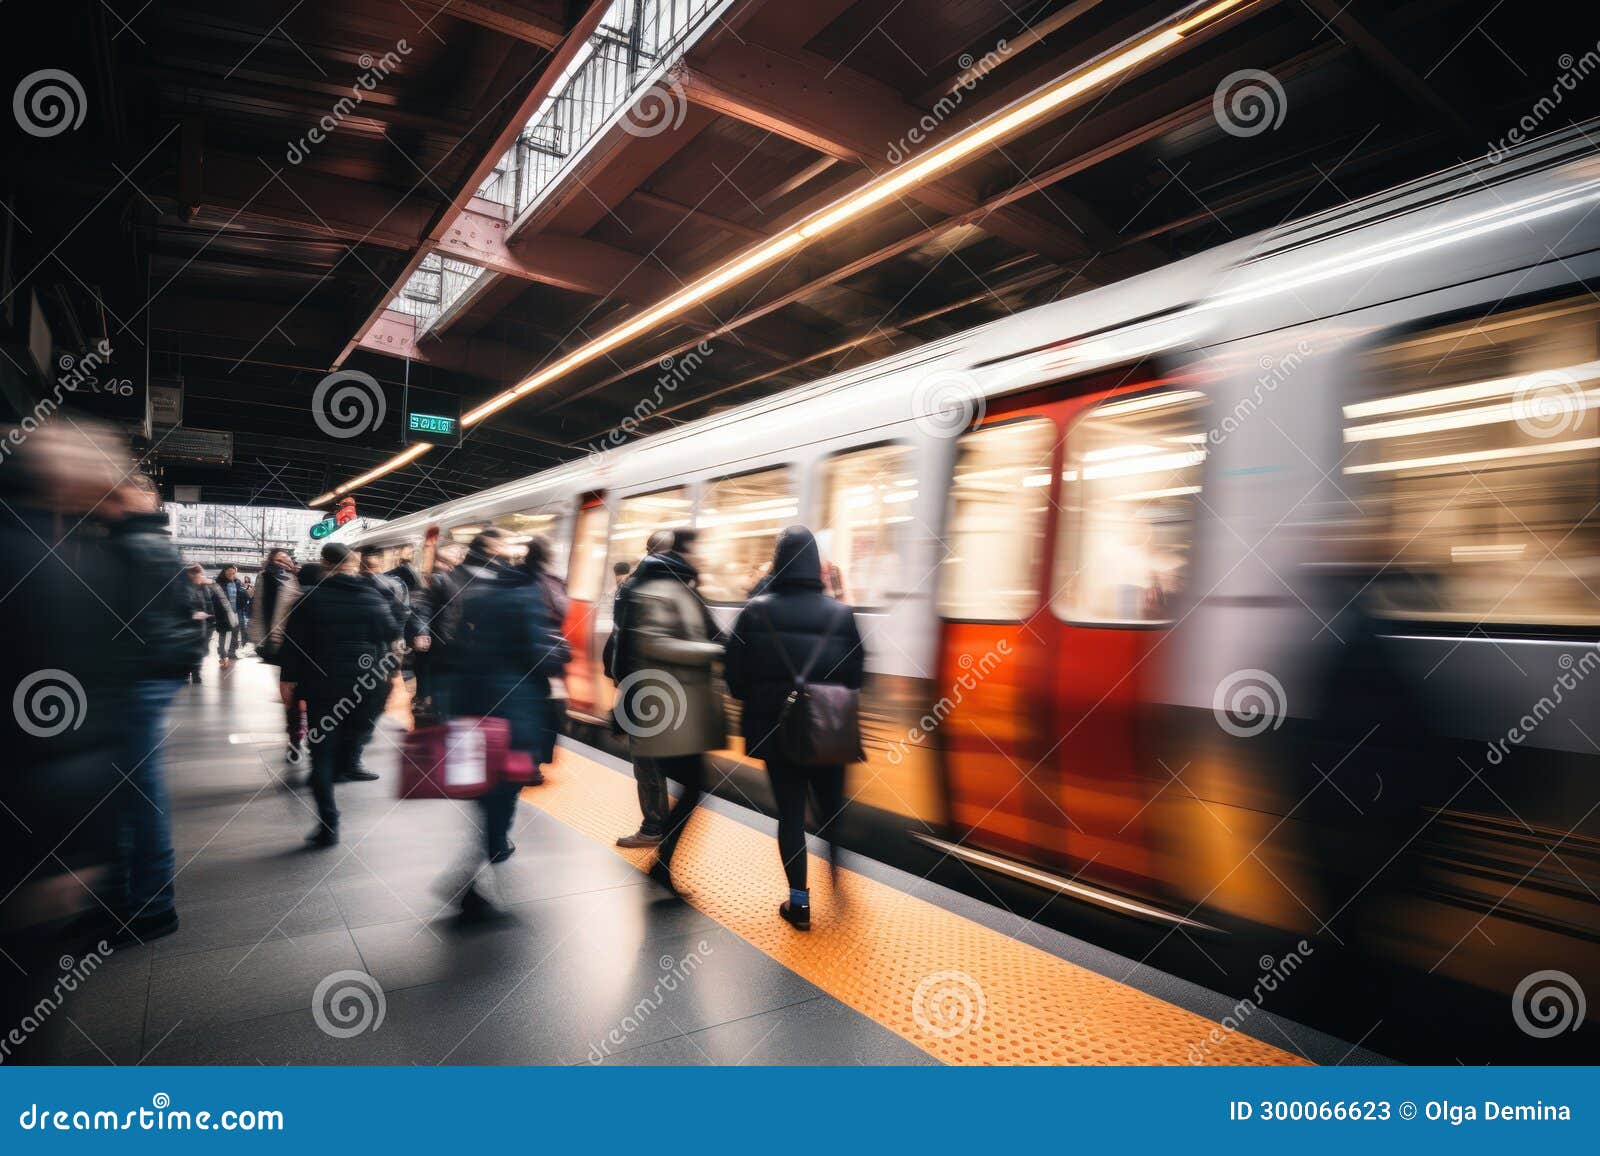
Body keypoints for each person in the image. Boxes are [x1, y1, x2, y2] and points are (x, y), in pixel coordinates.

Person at [0, 419, 128, 1058]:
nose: (117, 471)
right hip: (34, 825)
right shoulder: (48, 563)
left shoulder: (60, 551)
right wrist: (63, 851)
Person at [725, 526, 864, 930]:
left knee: (790, 815)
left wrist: (768, 696)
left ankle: (799, 904)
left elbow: (735, 679)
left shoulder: (756, 611)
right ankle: (838, 884)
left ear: (780, 560)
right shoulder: (840, 614)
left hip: (777, 730)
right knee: (831, 810)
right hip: (829, 729)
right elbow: (857, 677)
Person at [101, 472, 204, 944]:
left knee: (137, 790)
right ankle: (139, 898)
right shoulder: (151, 544)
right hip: (146, 675)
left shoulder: (133, 546)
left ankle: (149, 904)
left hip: (135, 678)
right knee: (136, 788)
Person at [445, 528, 570, 918]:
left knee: (492, 785)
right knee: (508, 782)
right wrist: (559, 652)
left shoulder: (482, 595)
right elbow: (537, 655)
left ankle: (490, 848)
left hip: (477, 700)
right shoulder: (527, 596)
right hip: (514, 704)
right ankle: (474, 872)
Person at [616, 528, 726, 892]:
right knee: (679, 778)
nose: (705, 556)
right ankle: (657, 844)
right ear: (681, 552)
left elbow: (710, 633)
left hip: (678, 704)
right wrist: (717, 652)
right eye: (700, 549)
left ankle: (662, 856)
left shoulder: (681, 587)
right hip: (662, 702)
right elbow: (650, 642)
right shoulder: (652, 589)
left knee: (689, 783)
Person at [280, 543, 401, 847]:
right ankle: (345, 762)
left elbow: (293, 647)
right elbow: (391, 634)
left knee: (320, 753)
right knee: (352, 738)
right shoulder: (374, 596)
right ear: (352, 564)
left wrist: (288, 682)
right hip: (366, 685)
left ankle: (328, 823)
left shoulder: (309, 600)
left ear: (324, 564)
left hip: (322, 687)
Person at [609, 530, 676, 847]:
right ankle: (672, 825)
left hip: (646, 686)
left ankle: (653, 827)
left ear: (647, 550)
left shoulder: (632, 588)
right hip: (681, 687)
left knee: (647, 760)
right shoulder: (686, 587)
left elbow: (621, 639)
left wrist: (619, 681)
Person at [248, 548, 304, 763]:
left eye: (286, 559)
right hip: (282, 643)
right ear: (271, 560)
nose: (283, 562)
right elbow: (261, 609)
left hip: (298, 642)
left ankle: (298, 734)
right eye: (278, 559)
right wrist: (263, 639)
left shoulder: (297, 578)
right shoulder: (266, 578)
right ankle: (295, 737)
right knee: (290, 694)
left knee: (296, 695)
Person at [182, 564, 228, 682]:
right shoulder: (183, 588)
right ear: (190, 574)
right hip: (189, 624)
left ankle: (195, 671)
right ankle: (188, 672)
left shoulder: (203, 587)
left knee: (200, 650)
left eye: (201, 573)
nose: (201, 576)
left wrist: (211, 619)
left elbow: (209, 603)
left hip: (204, 624)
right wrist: (193, 614)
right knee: (190, 649)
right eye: (199, 573)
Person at [214, 564, 247, 666]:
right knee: (223, 633)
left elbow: (241, 596)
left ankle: (232, 652)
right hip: (223, 612)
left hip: (235, 612)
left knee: (235, 632)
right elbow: (215, 599)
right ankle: (222, 655)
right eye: (229, 572)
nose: (231, 574)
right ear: (224, 572)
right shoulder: (218, 583)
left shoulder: (237, 582)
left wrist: (245, 593)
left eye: (233, 573)